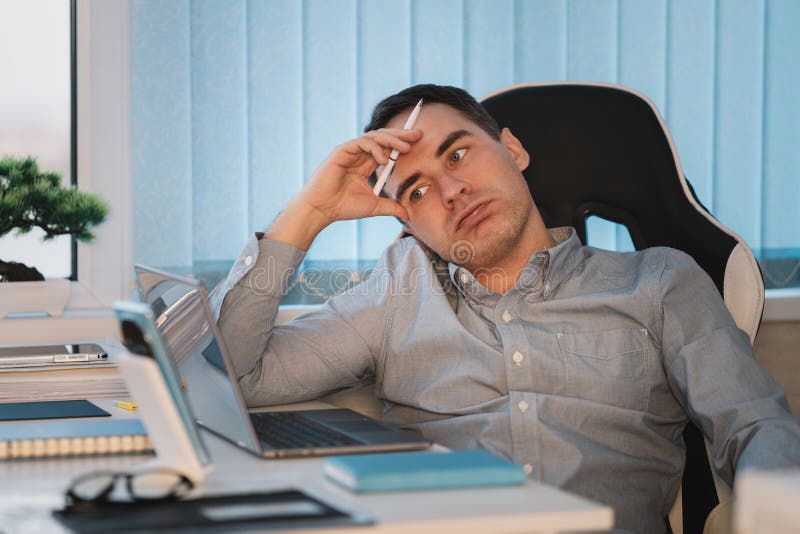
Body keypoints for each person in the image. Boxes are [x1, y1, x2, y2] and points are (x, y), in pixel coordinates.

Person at [211, 84, 800, 533]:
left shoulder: (659, 281)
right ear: (407, 223)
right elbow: (228, 380)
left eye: (459, 155)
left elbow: (753, 425)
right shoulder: (397, 290)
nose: (449, 190)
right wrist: (309, 213)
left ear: (513, 148)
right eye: (415, 191)